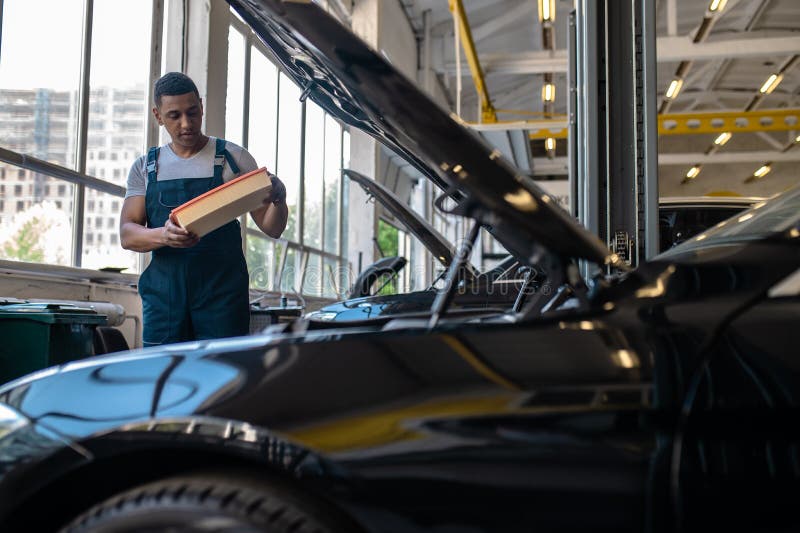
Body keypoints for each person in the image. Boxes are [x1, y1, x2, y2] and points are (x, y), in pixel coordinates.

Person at [120, 72, 288, 346]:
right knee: (164, 374)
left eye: (193, 112)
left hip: (222, 295)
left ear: (201, 105)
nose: (186, 123)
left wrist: (279, 198)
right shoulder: (146, 167)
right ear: (158, 115)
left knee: (221, 376)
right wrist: (164, 235)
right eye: (174, 115)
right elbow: (128, 234)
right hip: (165, 297)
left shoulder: (234, 159)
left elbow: (272, 227)